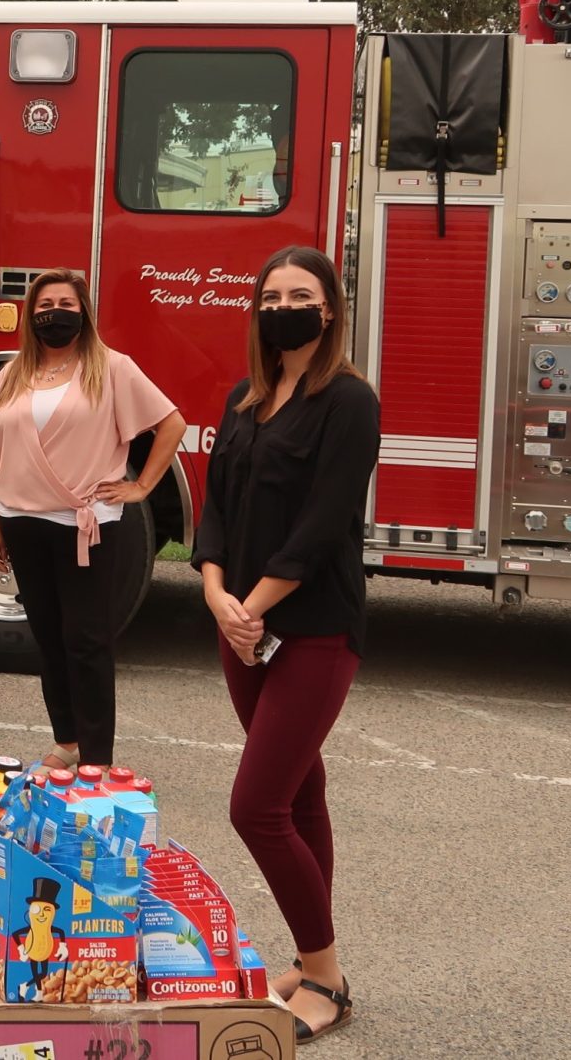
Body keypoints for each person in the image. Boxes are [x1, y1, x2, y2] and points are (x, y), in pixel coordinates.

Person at [193, 244, 379, 1047]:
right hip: (241, 624)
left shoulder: (350, 400)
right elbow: (216, 509)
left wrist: (253, 605)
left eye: (300, 295)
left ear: (329, 308)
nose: (283, 308)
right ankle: (309, 961)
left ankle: (328, 980)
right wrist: (215, 593)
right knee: (301, 794)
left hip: (315, 626)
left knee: (257, 807)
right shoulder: (246, 398)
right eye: (270, 296)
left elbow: (324, 522)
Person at [0, 268, 184, 768]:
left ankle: (96, 756)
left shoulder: (112, 368)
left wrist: (141, 486)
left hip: (83, 526)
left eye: (66, 305)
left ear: (84, 313)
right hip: (21, 521)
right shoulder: (13, 373)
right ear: (31, 314)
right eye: (45, 305)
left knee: (86, 641)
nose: (55, 313)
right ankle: (66, 741)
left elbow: (171, 423)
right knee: (48, 638)